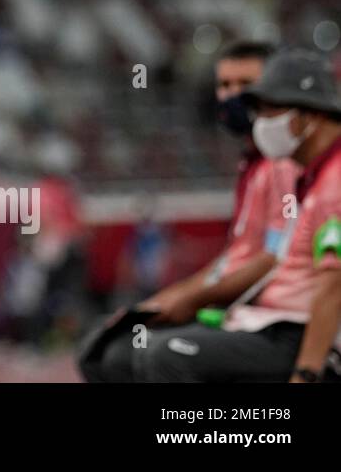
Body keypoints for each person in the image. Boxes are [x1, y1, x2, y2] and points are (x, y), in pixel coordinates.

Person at [81, 40, 297, 381]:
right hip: (240, 311)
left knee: (143, 355)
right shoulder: (253, 167)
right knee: (106, 349)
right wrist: (157, 305)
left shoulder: (287, 165)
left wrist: (189, 302)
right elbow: (232, 260)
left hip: (274, 322)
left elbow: (274, 259)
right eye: (225, 85)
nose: (232, 96)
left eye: (246, 85)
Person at [124, 49, 341, 382]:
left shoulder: (332, 183)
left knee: (165, 356)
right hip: (270, 321)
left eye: (270, 112)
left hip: (294, 331)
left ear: (306, 117)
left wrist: (306, 374)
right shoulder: (308, 177)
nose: (261, 123)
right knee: (132, 349)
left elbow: (332, 286)